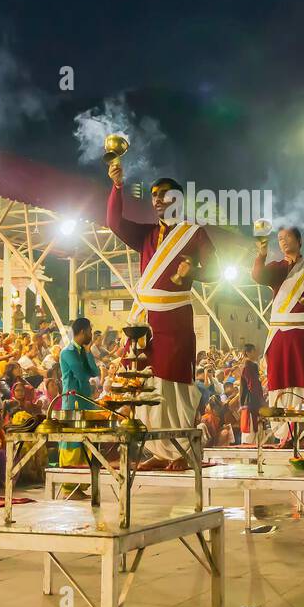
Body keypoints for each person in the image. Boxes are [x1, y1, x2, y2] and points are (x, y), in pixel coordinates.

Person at [105, 164, 215, 471]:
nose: (157, 200)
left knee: (175, 385)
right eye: (154, 195)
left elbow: (215, 271)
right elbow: (113, 222)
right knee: (146, 386)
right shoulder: (146, 235)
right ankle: (156, 449)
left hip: (176, 319)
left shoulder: (194, 234)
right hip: (145, 322)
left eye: (164, 195)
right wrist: (116, 186)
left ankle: (181, 450)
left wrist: (192, 271)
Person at [251, 226, 304, 412]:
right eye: (279, 238)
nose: (283, 241)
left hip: (303, 333)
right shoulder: (276, 268)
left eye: (287, 237)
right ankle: (283, 432)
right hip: (279, 332)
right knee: (279, 377)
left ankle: (301, 433)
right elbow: (257, 276)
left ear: (299, 240)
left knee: (303, 378)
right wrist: (261, 255)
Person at [57, 318, 100, 496]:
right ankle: (68, 487)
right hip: (73, 401)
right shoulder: (67, 352)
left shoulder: (82, 351)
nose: (91, 334)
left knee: (86, 442)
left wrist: (88, 353)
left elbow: (95, 372)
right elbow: (82, 374)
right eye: (90, 330)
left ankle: (80, 486)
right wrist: (85, 356)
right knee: (72, 442)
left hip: (85, 400)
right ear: (82, 331)